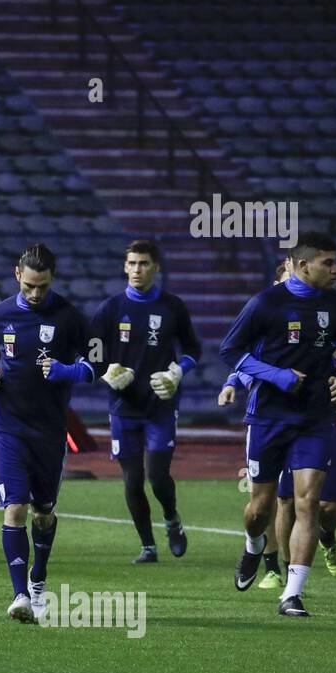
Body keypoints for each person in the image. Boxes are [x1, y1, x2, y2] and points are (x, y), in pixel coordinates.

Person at [219, 234, 336, 617]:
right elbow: (230, 351)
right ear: (302, 266)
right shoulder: (266, 303)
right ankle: (253, 546)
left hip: (317, 418)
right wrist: (277, 376)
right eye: (328, 263)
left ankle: (292, 593)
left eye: (335, 262)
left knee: (308, 502)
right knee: (260, 509)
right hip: (268, 416)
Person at [0, 243, 92, 622]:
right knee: (15, 507)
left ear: (52, 279)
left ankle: (39, 578)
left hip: (49, 429)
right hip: (8, 425)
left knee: (43, 511)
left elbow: (96, 365)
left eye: (41, 286)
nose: (35, 293)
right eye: (29, 286)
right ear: (17, 276)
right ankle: (20, 595)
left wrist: (66, 371)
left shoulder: (70, 317)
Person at [88, 239, 201, 564]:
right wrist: (105, 369)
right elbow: (91, 350)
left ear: (156, 268)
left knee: (157, 474)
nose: (138, 269)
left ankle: (171, 518)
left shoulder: (172, 307)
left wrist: (179, 371)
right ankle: (148, 546)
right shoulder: (110, 309)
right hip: (123, 406)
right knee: (132, 479)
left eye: (144, 264)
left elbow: (194, 349)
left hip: (160, 403)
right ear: (125, 267)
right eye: (133, 264)